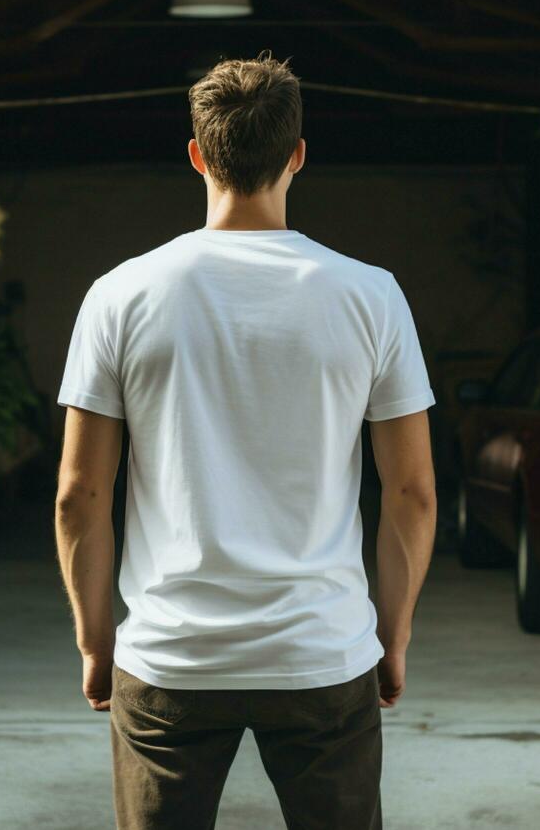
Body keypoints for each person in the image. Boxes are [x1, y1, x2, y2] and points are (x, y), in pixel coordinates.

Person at [55, 51, 438, 830]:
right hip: (323, 655)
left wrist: (97, 642)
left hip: (171, 654)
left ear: (197, 155)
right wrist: (390, 636)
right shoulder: (371, 295)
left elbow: (80, 495)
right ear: (297, 155)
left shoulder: (120, 295)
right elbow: (412, 493)